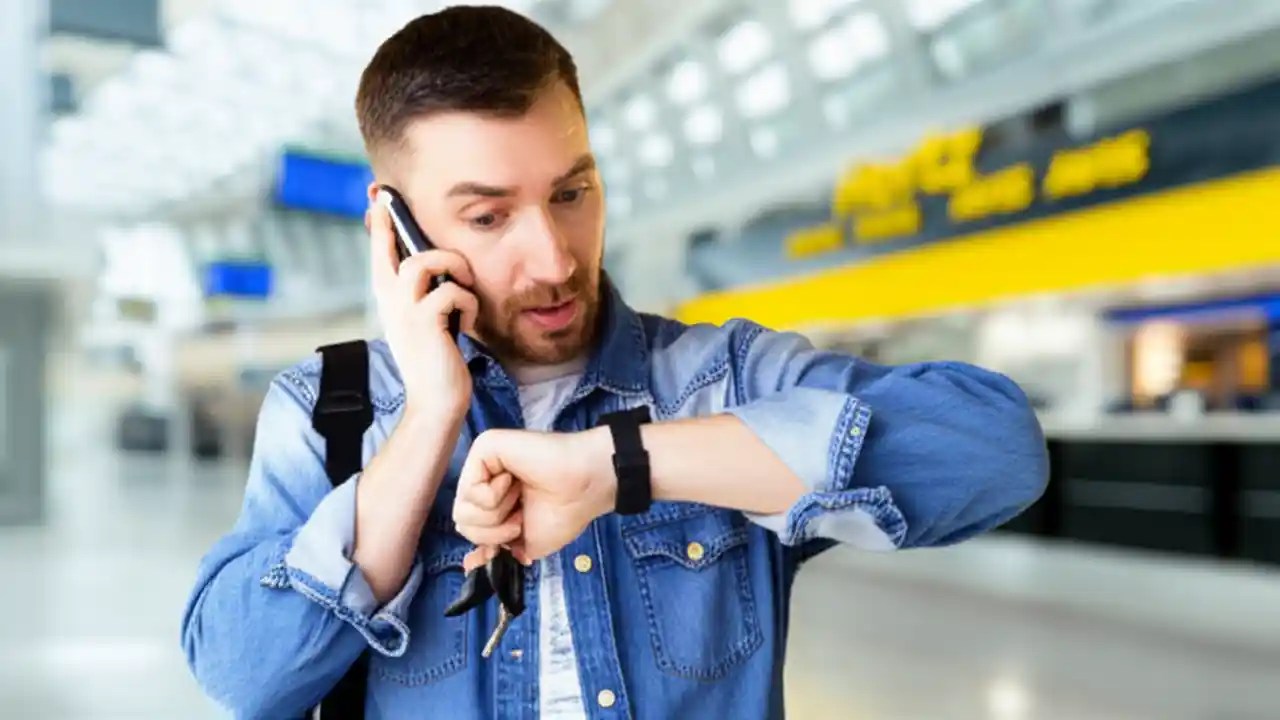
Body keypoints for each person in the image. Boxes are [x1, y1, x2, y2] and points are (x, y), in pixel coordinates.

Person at [180, 6, 1049, 718]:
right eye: (488, 218)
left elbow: (996, 452)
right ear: (396, 229)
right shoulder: (333, 411)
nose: (556, 259)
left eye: (571, 194)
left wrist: (617, 467)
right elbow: (246, 674)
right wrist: (429, 419)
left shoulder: (715, 380)